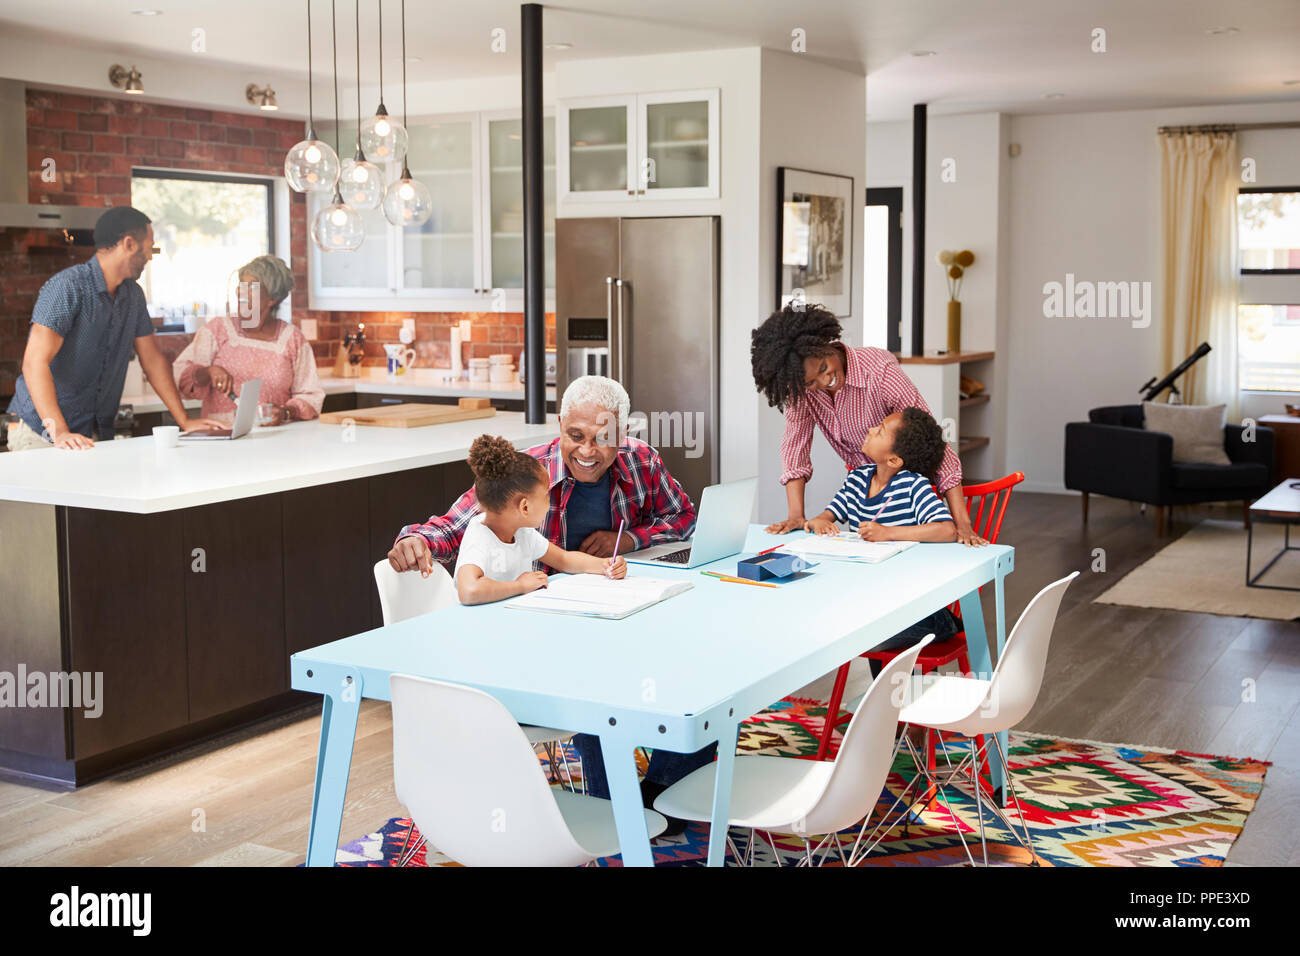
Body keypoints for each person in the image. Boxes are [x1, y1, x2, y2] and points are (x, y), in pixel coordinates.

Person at [386, 374, 705, 834]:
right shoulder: (526, 473)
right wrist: (417, 540)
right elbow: (457, 526)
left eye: (604, 438)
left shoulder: (641, 461)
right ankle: (614, 813)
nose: (589, 451)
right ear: (559, 426)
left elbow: (683, 515)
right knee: (600, 684)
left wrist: (634, 538)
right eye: (576, 436)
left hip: (620, 618)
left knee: (696, 675)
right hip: (540, 641)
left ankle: (655, 793)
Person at [750, 303, 988, 546]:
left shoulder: (878, 370)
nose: (826, 381)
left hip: (905, 496)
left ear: (825, 343)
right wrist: (796, 516)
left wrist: (963, 525)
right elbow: (795, 447)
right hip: (867, 490)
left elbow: (932, 441)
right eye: (812, 382)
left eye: (824, 368)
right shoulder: (802, 393)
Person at [5, 206, 223, 450]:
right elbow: (35, 363)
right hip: (42, 434)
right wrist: (61, 433)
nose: (151, 256)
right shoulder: (67, 287)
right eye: (149, 247)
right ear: (129, 244)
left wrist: (185, 421)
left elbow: (152, 361)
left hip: (92, 434)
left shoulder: (133, 296)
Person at [805, 407, 962, 675]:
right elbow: (827, 516)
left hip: (919, 608)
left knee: (863, 634)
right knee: (851, 626)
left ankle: (900, 703)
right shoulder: (857, 480)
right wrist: (820, 521)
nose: (870, 430)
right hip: (873, 602)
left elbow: (947, 530)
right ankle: (891, 708)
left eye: (879, 431)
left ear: (893, 460)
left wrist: (888, 532)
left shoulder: (913, 486)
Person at [454, 434, 628, 606]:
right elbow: (469, 591)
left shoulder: (522, 533)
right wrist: (520, 586)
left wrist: (604, 565)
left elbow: (564, 559)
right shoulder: (480, 536)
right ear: (525, 507)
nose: (549, 501)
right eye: (545, 495)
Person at [172, 255, 323, 426]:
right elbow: (180, 376)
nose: (241, 292)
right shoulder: (217, 330)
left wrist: (286, 412)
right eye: (241, 285)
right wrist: (208, 372)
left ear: (272, 298)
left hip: (277, 439)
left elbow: (311, 395)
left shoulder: (293, 339)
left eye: (252, 287)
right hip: (222, 438)